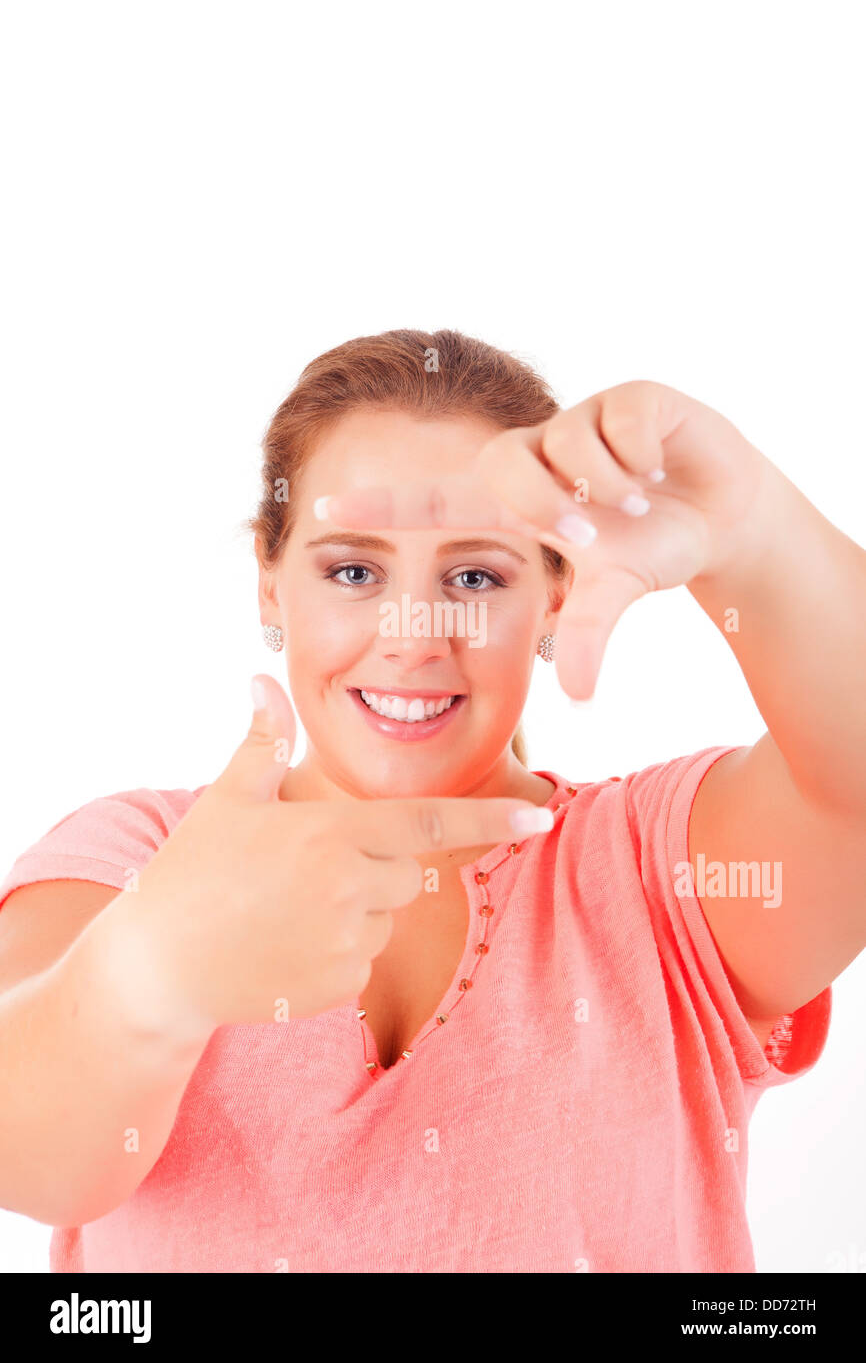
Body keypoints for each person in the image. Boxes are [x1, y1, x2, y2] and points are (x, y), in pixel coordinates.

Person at [0, 328, 858, 1273]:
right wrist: (155, 968)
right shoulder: (132, 856)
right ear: (269, 581)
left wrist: (757, 534)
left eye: (476, 576)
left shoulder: (661, 879)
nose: (413, 637)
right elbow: (32, 1157)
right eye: (354, 571)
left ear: (555, 597)